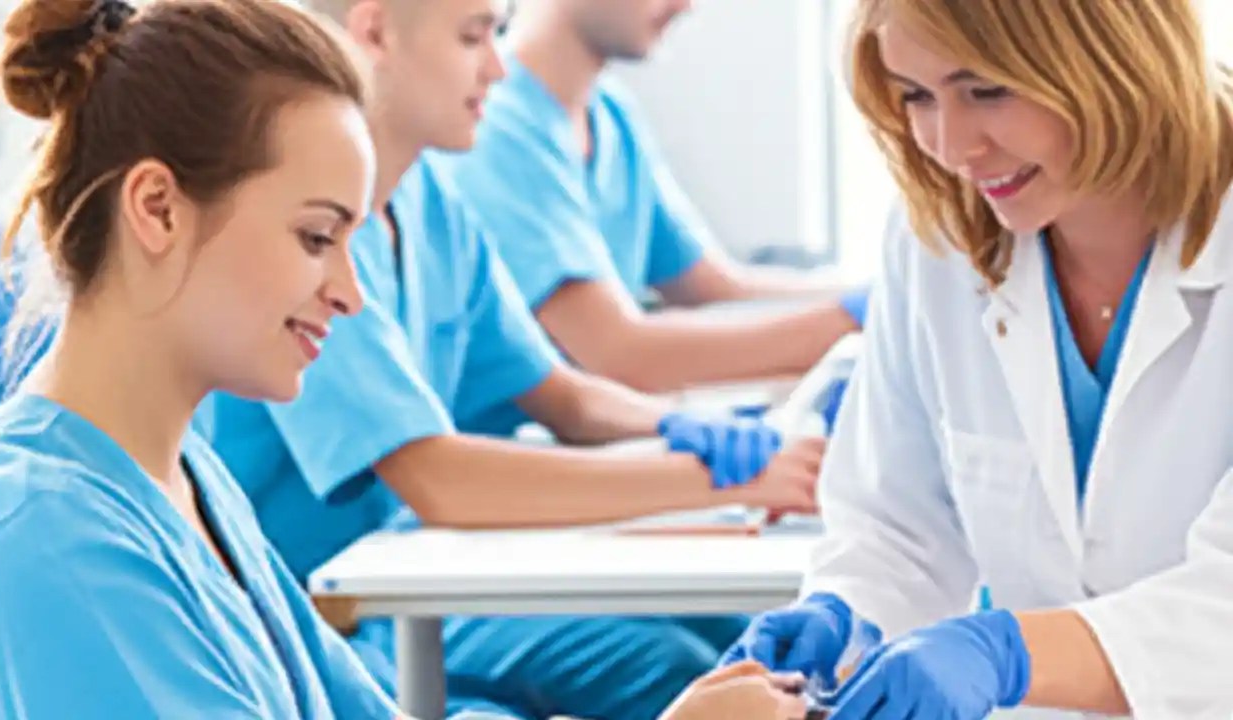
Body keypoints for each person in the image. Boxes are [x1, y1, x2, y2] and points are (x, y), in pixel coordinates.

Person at [0, 2, 807, 719]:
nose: (352, 293)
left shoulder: (191, 486)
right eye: (316, 237)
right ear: (157, 208)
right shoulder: (52, 549)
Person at [200, 1, 822, 718]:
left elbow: (565, 397)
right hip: (335, 626)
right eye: (473, 37)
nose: (498, 67)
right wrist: (707, 481)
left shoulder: (433, 204)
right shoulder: (315, 244)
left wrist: (712, 440)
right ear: (373, 32)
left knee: (742, 644)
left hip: (424, 584)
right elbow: (438, 479)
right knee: (671, 666)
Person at [722, 0, 1233, 718]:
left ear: (1115, 50)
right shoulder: (940, 237)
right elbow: (897, 525)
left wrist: (1006, 654)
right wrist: (846, 614)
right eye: (916, 97)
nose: (952, 145)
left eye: (987, 90)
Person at [430, 0, 870, 406]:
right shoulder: (496, 129)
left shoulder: (611, 114)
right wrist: (847, 322)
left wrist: (873, 291)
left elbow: (711, 286)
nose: (684, 5)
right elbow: (618, 354)